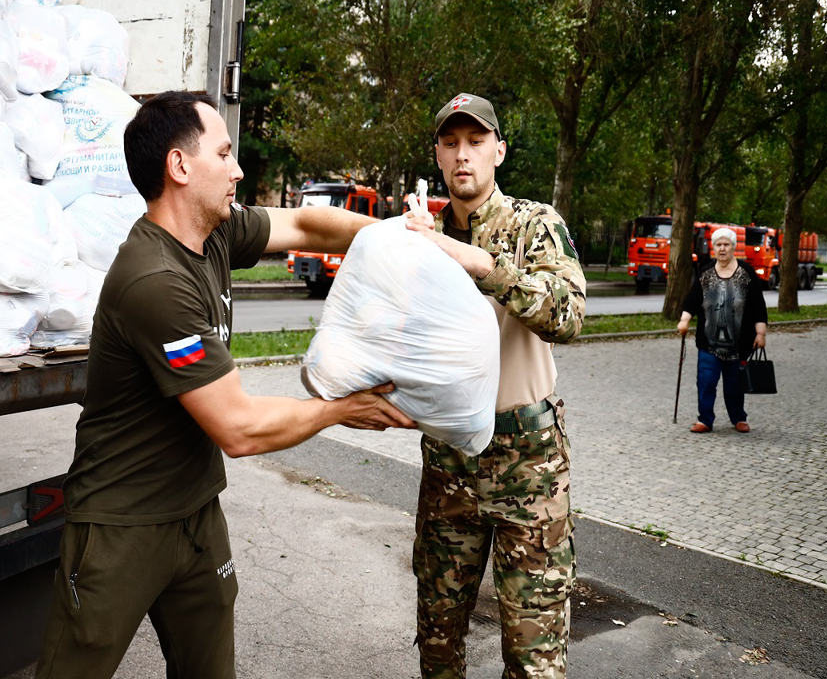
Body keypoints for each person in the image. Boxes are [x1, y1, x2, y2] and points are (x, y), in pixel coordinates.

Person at [34, 92, 414, 679]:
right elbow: (236, 427)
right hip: (120, 527)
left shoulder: (214, 236)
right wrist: (341, 410)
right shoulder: (153, 281)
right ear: (180, 167)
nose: (239, 170)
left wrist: (393, 238)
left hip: (196, 518)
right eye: (225, 153)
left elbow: (305, 223)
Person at [402, 93, 586, 679]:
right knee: (436, 641)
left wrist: (482, 264)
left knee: (534, 660)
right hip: (449, 463)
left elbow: (569, 315)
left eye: (476, 143)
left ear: (498, 152)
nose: (464, 156)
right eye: (451, 143)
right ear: (437, 154)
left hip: (526, 467)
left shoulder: (535, 224)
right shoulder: (416, 238)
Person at [676, 227, 769, 433]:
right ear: (713, 248)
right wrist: (684, 321)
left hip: (739, 343)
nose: (722, 248)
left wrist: (760, 333)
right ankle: (705, 419)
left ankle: (738, 418)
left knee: (734, 386)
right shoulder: (705, 273)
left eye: (726, 244)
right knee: (706, 382)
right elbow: (692, 300)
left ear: (733, 247)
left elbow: (757, 306)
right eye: (718, 244)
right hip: (709, 343)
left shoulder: (746, 273)